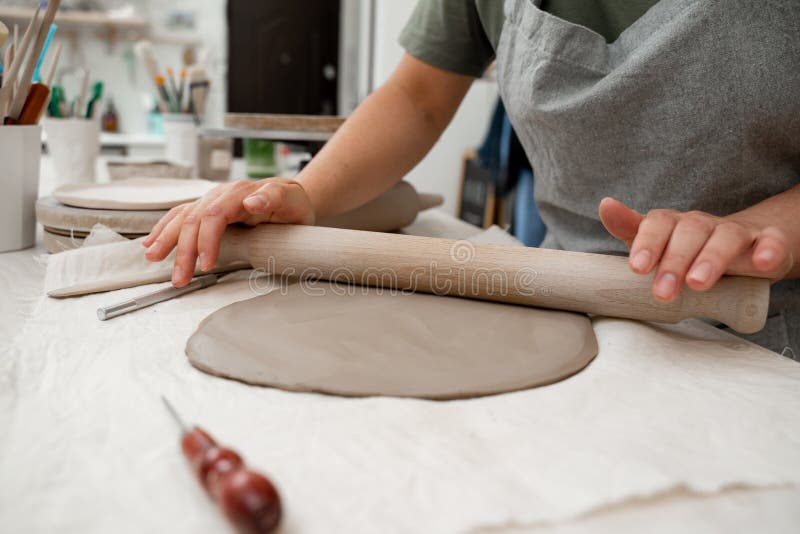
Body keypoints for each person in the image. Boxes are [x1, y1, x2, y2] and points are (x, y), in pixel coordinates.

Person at [143, 0, 799, 354]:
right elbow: (418, 98)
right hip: (570, 305)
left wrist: (768, 228)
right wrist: (303, 192)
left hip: (760, 326)